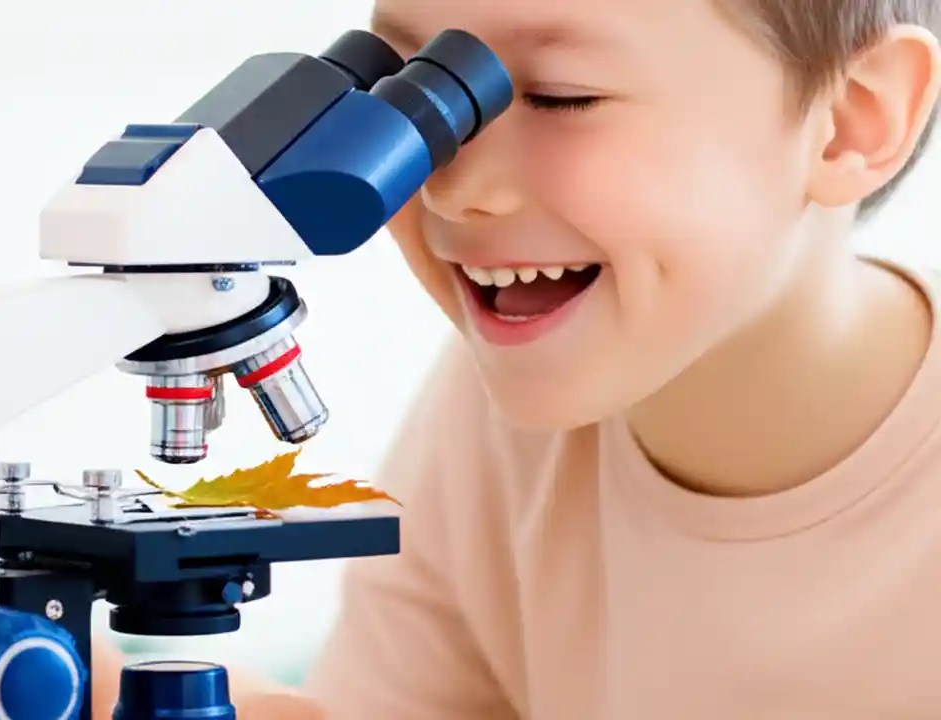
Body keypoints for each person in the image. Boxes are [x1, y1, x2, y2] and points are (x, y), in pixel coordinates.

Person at [94, 0, 941, 716]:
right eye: (403, 86)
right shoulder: (493, 417)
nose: (451, 185)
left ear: (850, 122)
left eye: (560, 97)